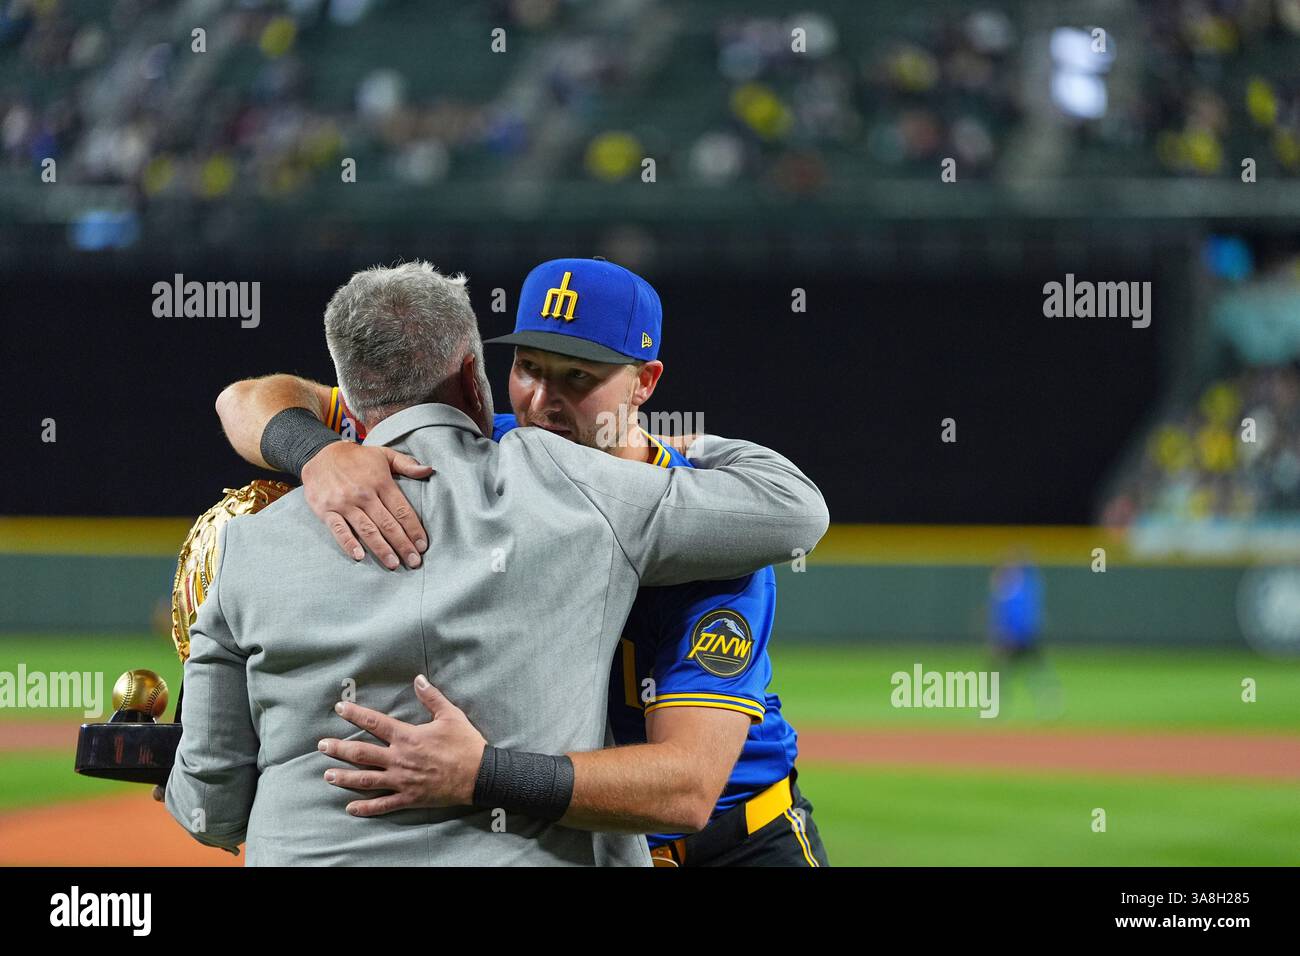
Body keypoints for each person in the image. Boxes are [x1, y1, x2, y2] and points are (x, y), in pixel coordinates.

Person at [166, 261, 829, 865]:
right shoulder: (496, 450)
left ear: (646, 382)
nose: (542, 400)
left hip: (726, 840)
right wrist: (315, 451)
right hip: (581, 827)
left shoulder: (707, 529)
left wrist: (484, 772)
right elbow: (244, 397)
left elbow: (685, 789)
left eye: (580, 377)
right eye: (530, 367)